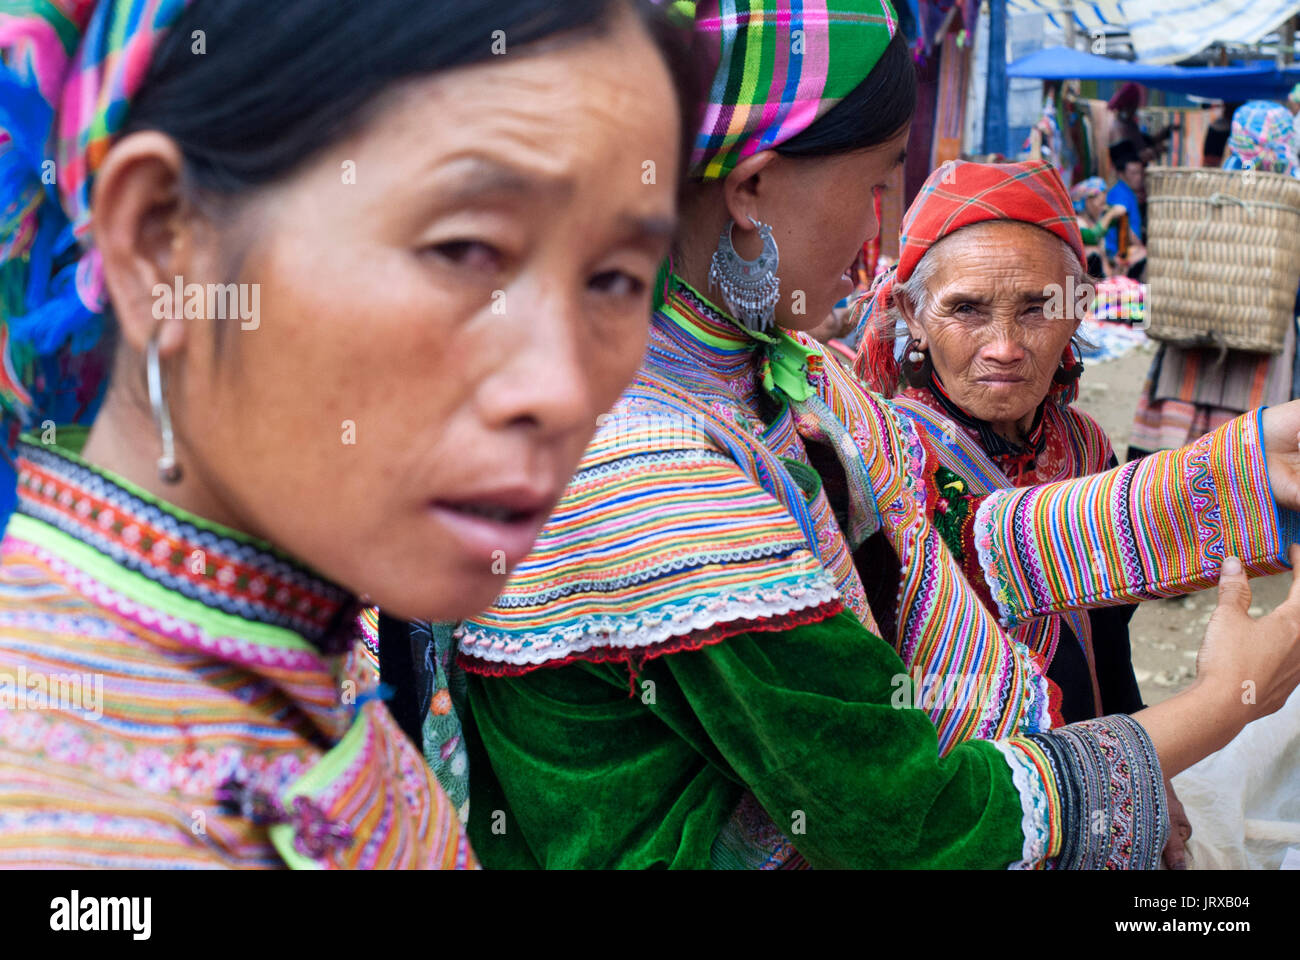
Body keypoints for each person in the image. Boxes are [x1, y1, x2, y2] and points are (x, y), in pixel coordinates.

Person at [447, 0, 1300, 870]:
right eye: (878, 183)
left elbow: (951, 544)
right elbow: (906, 822)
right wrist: (1223, 705)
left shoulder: (786, 373)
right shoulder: (645, 461)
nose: (879, 234)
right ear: (750, 191)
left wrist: (1246, 471)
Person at [0, 0, 685, 868]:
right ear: (162, 247)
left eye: (616, 278)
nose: (562, 388)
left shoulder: (299, 680)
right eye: (466, 249)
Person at [855, 159, 1191, 866]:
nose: (1005, 348)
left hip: (1100, 788)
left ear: (1078, 308)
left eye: (1037, 308)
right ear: (912, 312)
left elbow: (1105, 652)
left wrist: (1144, 779)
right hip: (971, 819)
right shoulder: (879, 467)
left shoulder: (1087, 446)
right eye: (967, 308)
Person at [1129, 100, 1300, 459]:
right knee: (1250, 461)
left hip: (1191, 338)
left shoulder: (1200, 194)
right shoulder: (1291, 201)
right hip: (1263, 353)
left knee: (1172, 464)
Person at [1070, 176, 1135, 278]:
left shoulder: (1097, 222)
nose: (1102, 208)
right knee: (1093, 252)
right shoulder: (1076, 223)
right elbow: (1093, 237)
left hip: (1100, 281)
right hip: (1083, 285)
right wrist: (1111, 214)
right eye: (1100, 203)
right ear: (1087, 201)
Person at [1104, 141, 1147, 276]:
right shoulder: (1120, 193)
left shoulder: (1127, 192)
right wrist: (1140, 247)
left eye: (1140, 173)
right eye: (1134, 173)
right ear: (1121, 174)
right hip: (1118, 252)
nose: (1139, 178)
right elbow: (1124, 224)